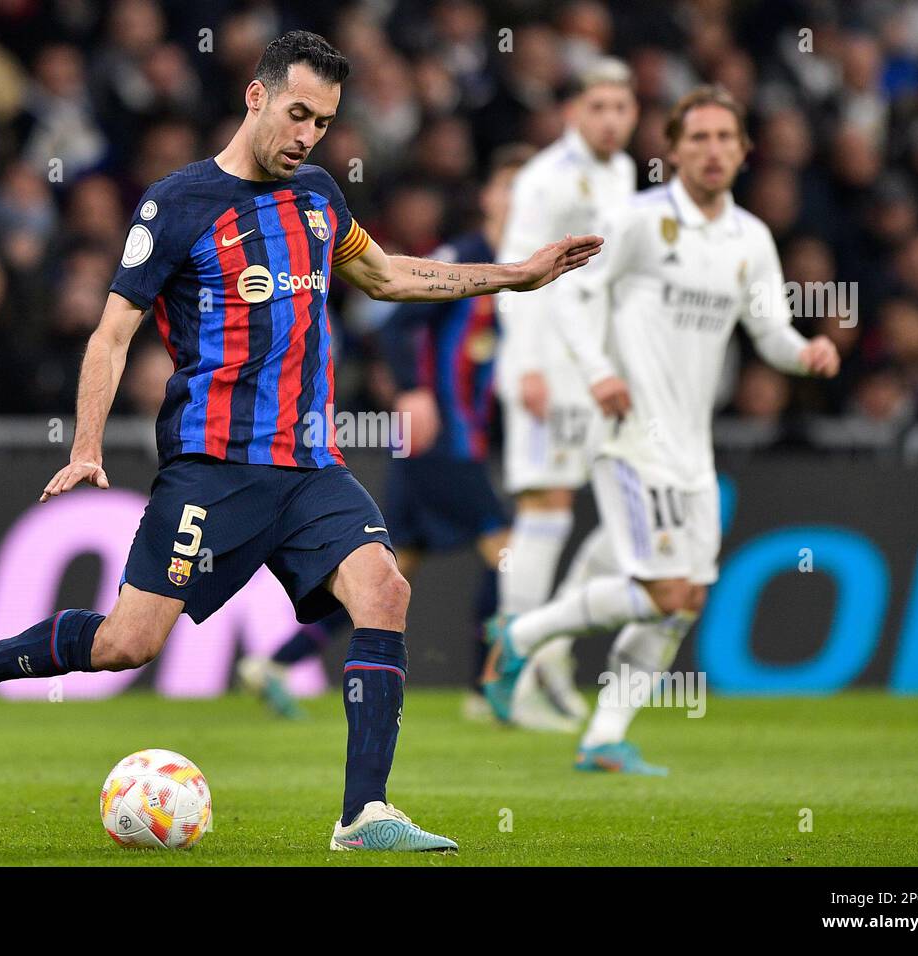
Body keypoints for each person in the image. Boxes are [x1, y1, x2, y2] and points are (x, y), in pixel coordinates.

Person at [0, 31, 602, 853]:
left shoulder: (321, 197)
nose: (307, 136)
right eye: (295, 115)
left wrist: (516, 276)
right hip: (213, 471)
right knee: (124, 645)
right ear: (255, 97)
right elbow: (111, 336)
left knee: (385, 591)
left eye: (322, 122)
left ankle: (364, 814)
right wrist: (86, 444)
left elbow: (386, 275)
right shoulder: (175, 205)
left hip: (310, 466)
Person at [484, 86, 840, 775]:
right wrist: (595, 374)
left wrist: (804, 352)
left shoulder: (751, 239)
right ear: (672, 150)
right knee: (664, 590)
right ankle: (524, 633)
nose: (711, 151)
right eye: (697, 138)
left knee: (685, 601)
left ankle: (602, 738)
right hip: (628, 435)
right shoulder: (636, 222)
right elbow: (572, 294)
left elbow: (768, 330)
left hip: (692, 448)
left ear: (744, 153)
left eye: (724, 139)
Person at [237, 146, 531, 721]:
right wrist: (410, 392)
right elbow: (394, 322)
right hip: (437, 440)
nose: (521, 199)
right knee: (508, 553)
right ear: (489, 196)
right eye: (510, 186)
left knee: (383, 580)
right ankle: (485, 685)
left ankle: (274, 662)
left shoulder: (514, 266)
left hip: (455, 439)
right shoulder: (466, 256)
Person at [492, 58, 639, 730]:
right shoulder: (545, 178)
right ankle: (511, 674)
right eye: (598, 105)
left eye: (621, 106)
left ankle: (548, 645)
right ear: (573, 112)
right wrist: (526, 364)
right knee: (542, 508)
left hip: (598, 367)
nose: (611, 118)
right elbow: (518, 269)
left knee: (620, 509)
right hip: (546, 365)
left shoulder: (624, 172)